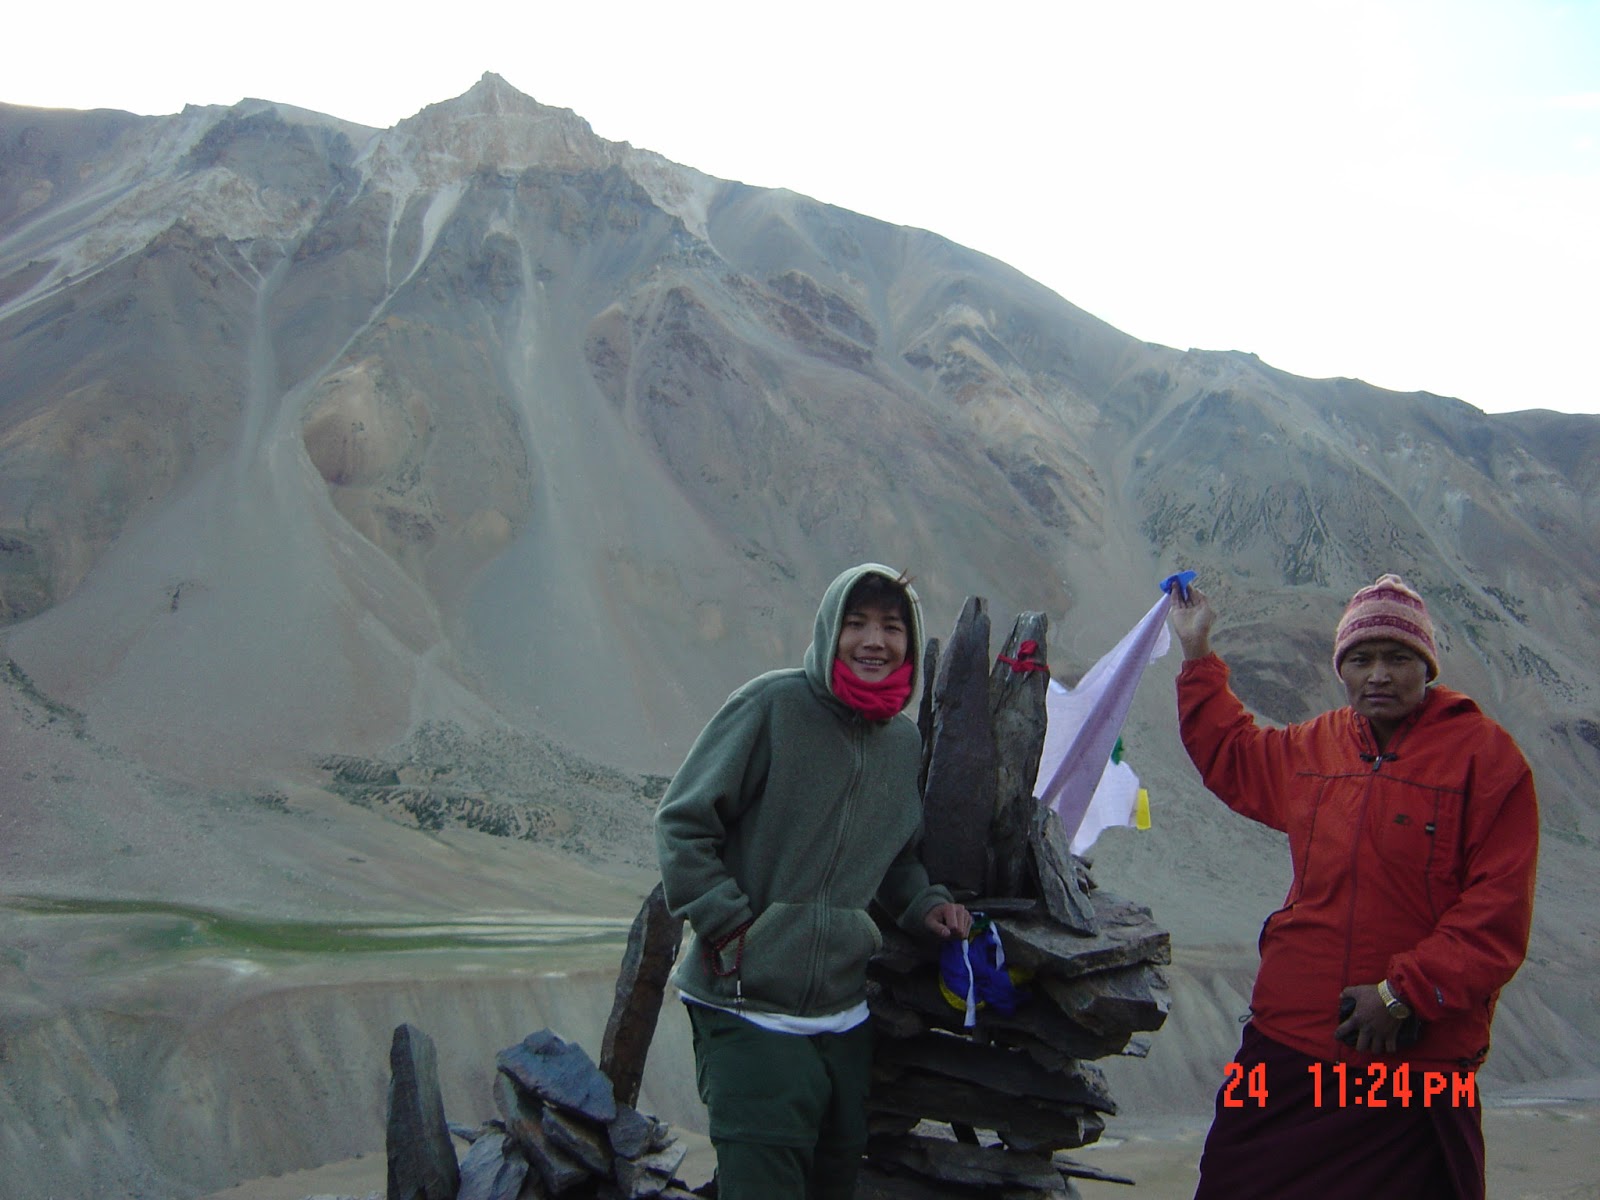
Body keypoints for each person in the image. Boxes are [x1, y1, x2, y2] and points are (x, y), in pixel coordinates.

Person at [1168, 574, 1538, 1200]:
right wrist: (1198, 655)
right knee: (1234, 1179)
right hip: (1286, 1047)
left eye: (1398, 658)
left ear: (1427, 665)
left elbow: (1497, 911)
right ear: (1341, 668)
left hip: (1415, 1064)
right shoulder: (1317, 746)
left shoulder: (1487, 761)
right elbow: (1232, 755)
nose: (1380, 675)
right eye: (1361, 659)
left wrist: (1403, 994)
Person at [655, 562, 972, 1199]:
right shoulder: (771, 707)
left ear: (910, 638)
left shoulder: (902, 746)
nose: (874, 641)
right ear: (830, 630)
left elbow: (896, 859)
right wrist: (730, 928)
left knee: (832, 1183)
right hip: (745, 1007)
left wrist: (923, 905)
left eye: (890, 625)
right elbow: (683, 823)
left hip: (843, 1016)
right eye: (856, 624)